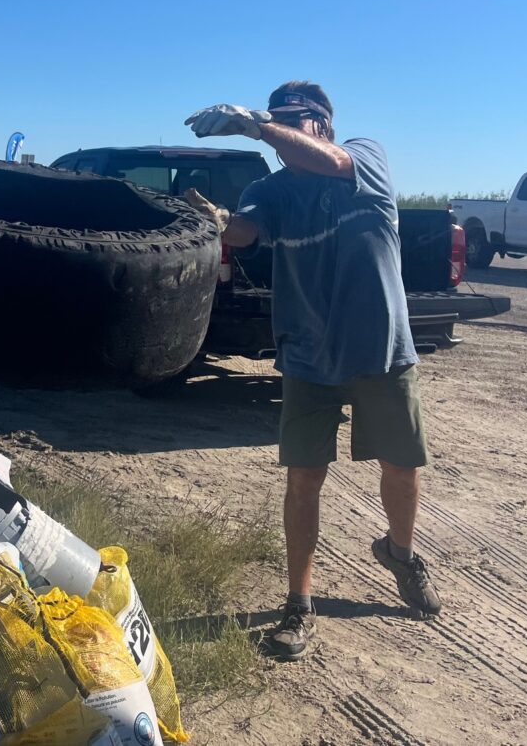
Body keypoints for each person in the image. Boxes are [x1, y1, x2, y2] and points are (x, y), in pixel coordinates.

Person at [183, 81, 441, 661]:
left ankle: (400, 553)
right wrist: (214, 223)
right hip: (307, 352)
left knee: (401, 468)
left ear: (320, 123)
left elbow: (334, 161)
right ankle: (299, 604)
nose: (279, 134)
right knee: (304, 479)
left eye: (290, 122)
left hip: (381, 348)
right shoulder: (270, 189)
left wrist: (252, 125)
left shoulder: (363, 156)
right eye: (273, 122)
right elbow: (246, 230)